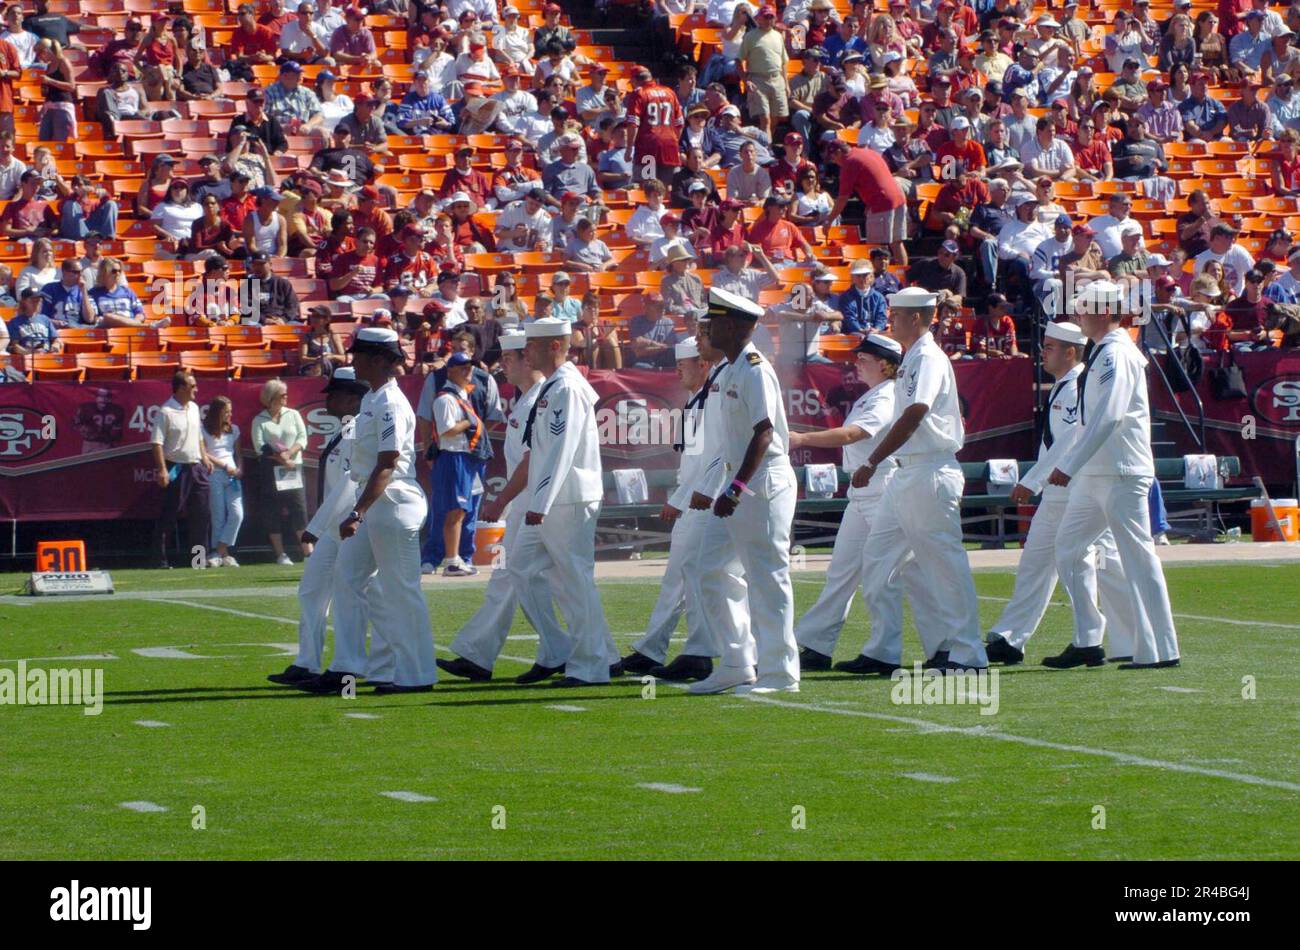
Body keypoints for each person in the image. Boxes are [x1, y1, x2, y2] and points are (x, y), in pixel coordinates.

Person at [849, 287, 989, 672]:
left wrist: (873, 460)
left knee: (944, 565)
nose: (890, 320)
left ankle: (967, 653)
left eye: (895, 315)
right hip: (907, 473)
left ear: (914, 318)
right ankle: (882, 649)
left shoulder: (927, 356)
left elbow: (915, 413)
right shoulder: (913, 356)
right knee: (878, 558)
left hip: (928, 468)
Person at [1047, 282, 1182, 669]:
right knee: (1069, 548)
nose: (1079, 314)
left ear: (1106, 312)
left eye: (1086, 308)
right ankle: (1094, 636)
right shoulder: (1104, 352)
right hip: (1098, 473)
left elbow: (1109, 415)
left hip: (1119, 470)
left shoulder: (1115, 353)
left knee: (1138, 557)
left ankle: (1160, 648)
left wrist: (1068, 466)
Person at [985, 322, 1135, 667]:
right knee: (1037, 564)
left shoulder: (1076, 386)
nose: (1043, 352)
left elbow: (1070, 439)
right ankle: (1011, 638)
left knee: (1077, 560)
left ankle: (1091, 638)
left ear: (1070, 352)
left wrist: (1032, 480)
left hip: (1070, 488)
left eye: (1050, 347)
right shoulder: (1065, 385)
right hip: (1058, 490)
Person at [298, 327, 438, 695]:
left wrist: (357, 512)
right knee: (348, 577)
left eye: (359, 354)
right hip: (375, 501)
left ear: (378, 359)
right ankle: (348, 667)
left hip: (392, 502)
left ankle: (417, 674)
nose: (352, 359)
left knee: (400, 590)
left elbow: (389, 463)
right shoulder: (373, 399)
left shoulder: (389, 401)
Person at [437, 330, 568, 682]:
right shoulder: (525, 399)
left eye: (509, 359)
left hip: (535, 502)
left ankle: (566, 650)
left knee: (545, 579)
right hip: (527, 502)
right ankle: (479, 655)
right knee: (511, 579)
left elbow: (532, 459)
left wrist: (501, 499)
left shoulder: (539, 398)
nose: (502, 366)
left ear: (528, 359)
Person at [687, 287, 799, 694]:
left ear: (733, 326)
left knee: (768, 577)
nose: (707, 328)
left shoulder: (754, 368)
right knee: (710, 569)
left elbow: (764, 433)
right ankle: (737, 661)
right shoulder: (727, 369)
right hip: (736, 484)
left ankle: (780, 672)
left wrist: (734, 488)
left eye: (713, 322)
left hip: (759, 484)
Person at [790, 333, 921, 671]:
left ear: (885, 364)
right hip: (862, 491)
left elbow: (853, 435)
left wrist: (802, 438)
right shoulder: (873, 395)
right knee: (842, 572)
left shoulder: (886, 395)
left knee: (884, 575)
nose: (856, 363)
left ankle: (885, 652)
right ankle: (817, 645)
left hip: (882, 490)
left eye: (864, 358)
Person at [510, 317, 620, 687]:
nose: (527, 353)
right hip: (554, 499)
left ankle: (590, 666)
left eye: (533, 346)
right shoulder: (554, 386)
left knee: (575, 582)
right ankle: (562, 649)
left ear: (554, 346)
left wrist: (539, 502)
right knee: (522, 566)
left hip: (567, 498)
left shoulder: (567, 389)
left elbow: (560, 449)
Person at [620, 336, 725, 681]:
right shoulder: (698, 401)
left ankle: (701, 652)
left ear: (704, 365)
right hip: (695, 498)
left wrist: (680, 499)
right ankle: (657, 648)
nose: (678, 370)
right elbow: (692, 460)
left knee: (696, 577)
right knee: (681, 578)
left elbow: (710, 459)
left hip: (704, 501)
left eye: (685, 364)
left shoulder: (710, 402)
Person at [269, 367, 371, 686]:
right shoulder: (344, 429)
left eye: (336, 394)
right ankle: (307, 661)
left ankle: (351, 665)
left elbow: (348, 485)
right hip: (332, 525)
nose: (329, 400)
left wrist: (314, 525)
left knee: (351, 594)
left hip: (349, 525)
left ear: (353, 398)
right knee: (312, 589)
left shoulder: (359, 431)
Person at [423, 351, 490, 577]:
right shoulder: (446, 398)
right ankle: (451, 560)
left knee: (461, 511)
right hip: (453, 457)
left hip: (464, 457)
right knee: (454, 511)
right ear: (450, 371)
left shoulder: (460, 396)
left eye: (469, 366)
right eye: (462, 367)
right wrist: (467, 422)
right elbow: (446, 431)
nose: (467, 370)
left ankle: (456, 557)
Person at [150, 371, 212, 569]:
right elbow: (156, 443)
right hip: (176, 467)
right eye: (192, 386)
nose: (196, 390)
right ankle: (160, 560)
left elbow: (199, 436)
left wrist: (205, 456)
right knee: (169, 515)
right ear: (181, 388)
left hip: (197, 467)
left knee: (201, 515)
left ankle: (198, 560)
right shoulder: (165, 411)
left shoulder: (194, 408)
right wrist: (162, 470)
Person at [252, 378, 311, 565]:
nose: (286, 397)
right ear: (271, 397)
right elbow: (259, 446)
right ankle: (280, 554)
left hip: (293, 469)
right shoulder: (259, 420)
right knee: (272, 511)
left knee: (299, 510)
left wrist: (289, 454)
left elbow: (302, 438)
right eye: (281, 394)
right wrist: (280, 458)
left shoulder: (293, 414)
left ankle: (308, 553)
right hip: (271, 471)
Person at [202, 395, 244, 569]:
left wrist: (240, 468)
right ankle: (222, 555)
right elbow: (204, 453)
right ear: (217, 411)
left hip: (233, 476)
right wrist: (224, 465)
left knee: (237, 514)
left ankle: (219, 551)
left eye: (230, 411)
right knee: (218, 515)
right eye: (226, 411)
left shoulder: (233, 429)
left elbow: (238, 454)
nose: (229, 415)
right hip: (215, 474)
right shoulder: (203, 430)